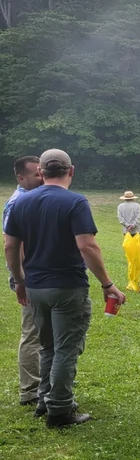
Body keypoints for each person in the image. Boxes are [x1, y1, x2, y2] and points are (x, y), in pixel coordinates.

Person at [3, 149, 127, 427]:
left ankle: (44, 400)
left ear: (41, 172)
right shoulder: (75, 202)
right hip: (68, 288)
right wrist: (107, 284)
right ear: (71, 171)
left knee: (47, 347)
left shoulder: (21, 202)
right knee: (66, 349)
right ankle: (59, 410)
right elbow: (87, 246)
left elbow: (10, 246)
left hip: (35, 288)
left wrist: (19, 281)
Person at [4, 155, 43, 407]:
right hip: (28, 278)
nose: (41, 177)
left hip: (36, 276)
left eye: (42, 172)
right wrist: (20, 279)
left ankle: (39, 385)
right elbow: (12, 246)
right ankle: (30, 390)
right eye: (36, 174)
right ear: (21, 178)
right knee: (32, 333)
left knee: (39, 332)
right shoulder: (17, 202)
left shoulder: (33, 198)